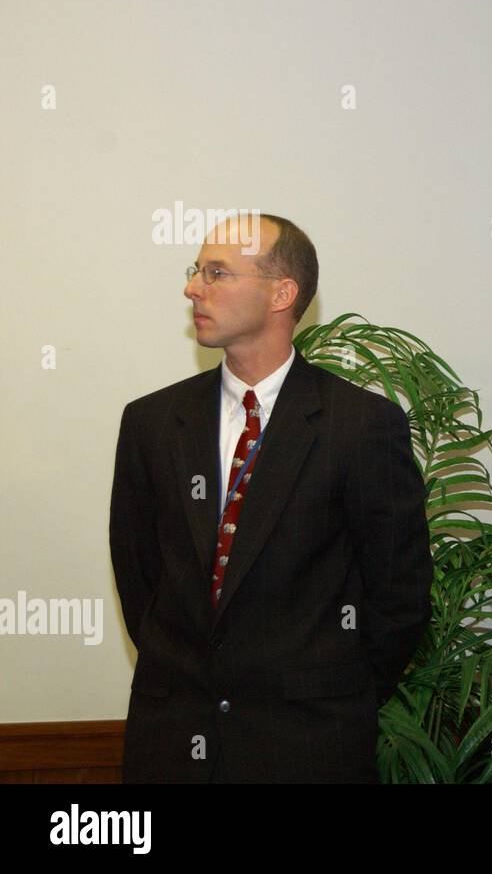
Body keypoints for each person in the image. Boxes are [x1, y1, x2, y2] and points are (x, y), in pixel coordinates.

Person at [109, 213, 431, 782]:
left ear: (283, 293)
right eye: (195, 271)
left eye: (216, 273)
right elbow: (141, 580)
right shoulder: (152, 422)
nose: (192, 288)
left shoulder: (360, 425)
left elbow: (398, 596)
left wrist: (330, 693)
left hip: (309, 746)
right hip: (172, 745)